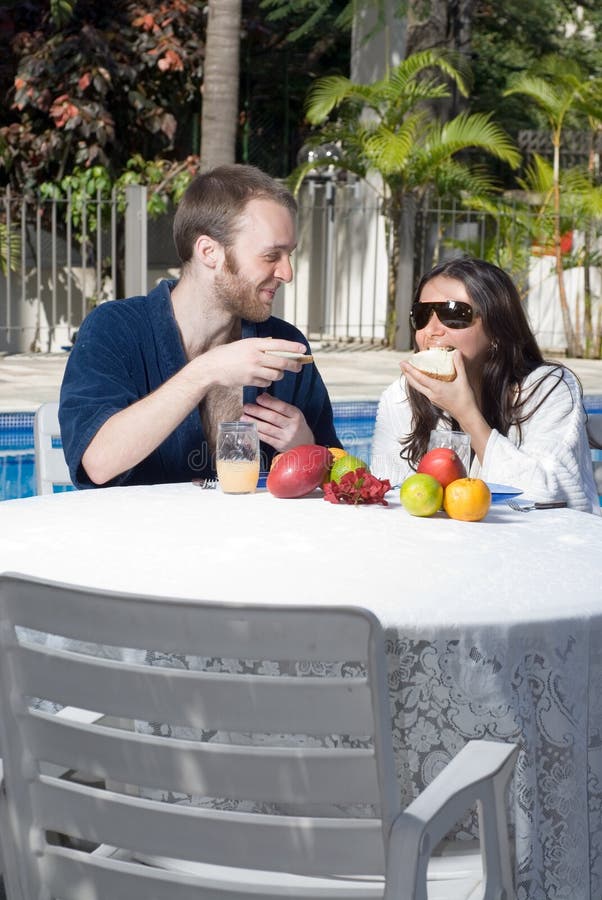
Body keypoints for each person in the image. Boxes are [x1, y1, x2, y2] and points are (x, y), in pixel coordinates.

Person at [59, 164, 341, 488]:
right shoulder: (115, 329)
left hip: (256, 538)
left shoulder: (284, 344)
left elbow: (340, 481)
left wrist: (307, 449)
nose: (287, 273)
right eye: (271, 255)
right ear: (209, 251)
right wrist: (206, 371)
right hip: (139, 536)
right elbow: (99, 462)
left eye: (289, 254)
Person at [370, 256, 600, 514]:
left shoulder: (548, 388)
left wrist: (465, 413)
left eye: (453, 314)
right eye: (422, 315)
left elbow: (541, 498)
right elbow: (388, 494)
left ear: (496, 330)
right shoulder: (401, 395)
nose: (431, 330)